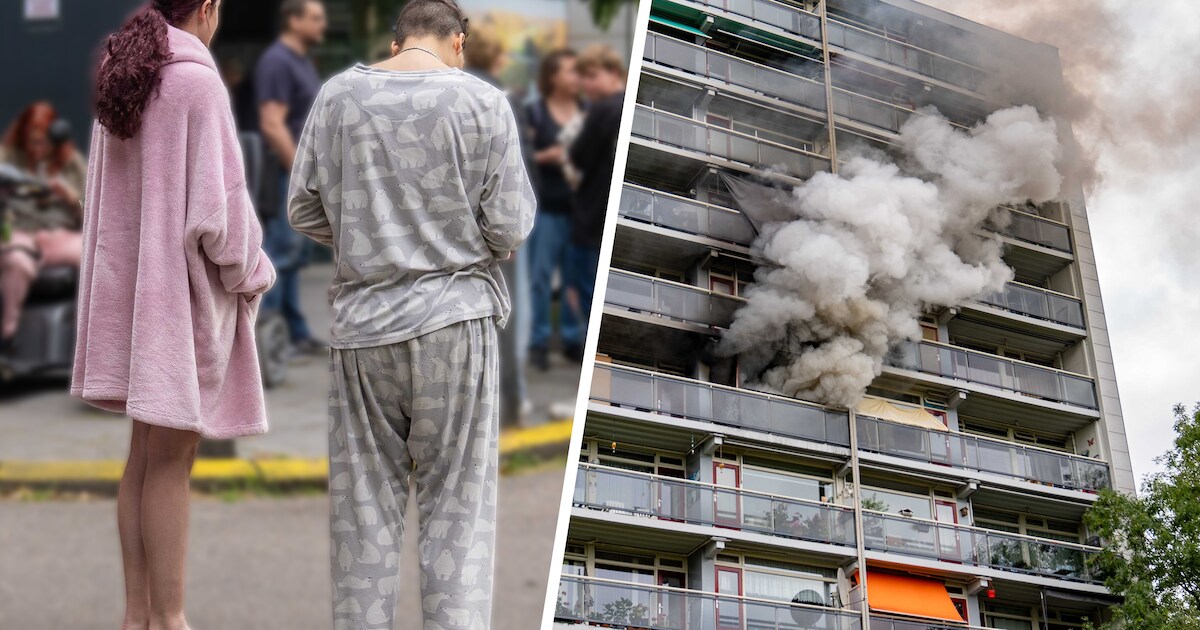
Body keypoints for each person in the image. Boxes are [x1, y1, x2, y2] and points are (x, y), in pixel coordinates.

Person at [286, 0, 536, 627]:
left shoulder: (339, 98)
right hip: (457, 320)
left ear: (395, 45)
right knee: (457, 513)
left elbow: (303, 208)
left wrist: (365, 237)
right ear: (459, 42)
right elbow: (510, 222)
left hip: (362, 327)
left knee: (362, 515)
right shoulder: (483, 103)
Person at [73, 2, 276, 629]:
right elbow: (219, 217)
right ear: (208, 8)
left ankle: (138, 617)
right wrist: (255, 273)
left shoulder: (124, 67)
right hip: (179, 304)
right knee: (170, 460)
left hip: (132, 294)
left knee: (143, 453)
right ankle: (171, 620)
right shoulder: (194, 80)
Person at [463, 26, 532, 426]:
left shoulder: (452, 98)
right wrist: (508, 237)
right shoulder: (500, 102)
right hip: (495, 236)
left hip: (454, 236)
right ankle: (511, 400)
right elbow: (508, 179)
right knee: (507, 320)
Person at [256, 0, 327, 355]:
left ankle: (295, 332)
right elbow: (272, 124)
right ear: (293, 20)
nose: (322, 25)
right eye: (315, 18)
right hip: (287, 176)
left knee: (294, 257)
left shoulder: (299, 62)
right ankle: (271, 340)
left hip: (302, 177)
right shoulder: (277, 61)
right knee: (280, 254)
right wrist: (300, 175)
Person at [0, 102, 87, 345]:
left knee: (92, 255)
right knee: (18, 263)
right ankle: (9, 333)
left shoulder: (70, 163)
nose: (38, 149)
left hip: (58, 237)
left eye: (44, 142)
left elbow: (94, 214)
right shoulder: (6, 160)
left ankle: (90, 335)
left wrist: (70, 198)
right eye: (32, 141)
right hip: (19, 236)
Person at [525, 49, 584, 370]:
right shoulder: (535, 113)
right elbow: (520, 157)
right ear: (552, 78)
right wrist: (546, 156)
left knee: (575, 279)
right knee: (540, 279)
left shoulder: (586, 112)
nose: (577, 77)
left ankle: (573, 340)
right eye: (570, 71)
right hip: (544, 210)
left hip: (579, 212)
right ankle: (539, 342)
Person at [567, 44, 626, 334]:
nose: (584, 84)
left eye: (590, 76)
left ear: (613, 73)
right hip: (606, 223)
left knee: (588, 300)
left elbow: (578, 156)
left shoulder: (605, 109)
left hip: (592, 224)